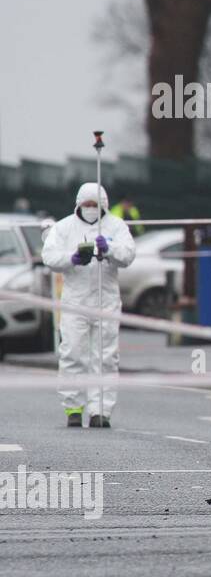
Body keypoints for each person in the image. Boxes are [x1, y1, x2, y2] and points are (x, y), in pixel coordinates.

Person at [41, 182, 136, 428]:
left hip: (107, 301)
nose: (91, 209)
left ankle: (100, 411)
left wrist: (110, 249)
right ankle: (73, 407)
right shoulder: (63, 227)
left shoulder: (116, 227)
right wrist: (72, 258)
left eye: (95, 205)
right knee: (72, 353)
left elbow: (128, 255)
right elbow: (49, 256)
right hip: (76, 301)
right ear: (79, 204)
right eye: (87, 205)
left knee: (105, 358)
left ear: (103, 205)